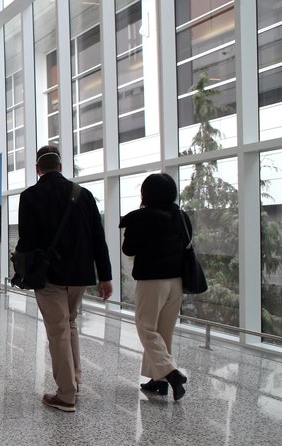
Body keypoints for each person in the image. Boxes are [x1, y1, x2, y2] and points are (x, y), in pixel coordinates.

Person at [16, 145, 112, 413]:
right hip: (80, 274)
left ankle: (66, 395)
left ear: (38, 169)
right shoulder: (83, 195)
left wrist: (21, 264)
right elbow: (98, 238)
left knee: (58, 331)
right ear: (60, 167)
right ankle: (75, 382)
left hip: (49, 276)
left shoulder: (30, 196)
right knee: (69, 324)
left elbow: (27, 240)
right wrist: (105, 276)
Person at [119, 173, 189, 401]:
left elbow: (128, 249)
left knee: (146, 328)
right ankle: (159, 381)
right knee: (164, 331)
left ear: (146, 194)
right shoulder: (182, 217)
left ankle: (171, 373)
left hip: (152, 281)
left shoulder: (141, 218)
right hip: (176, 281)